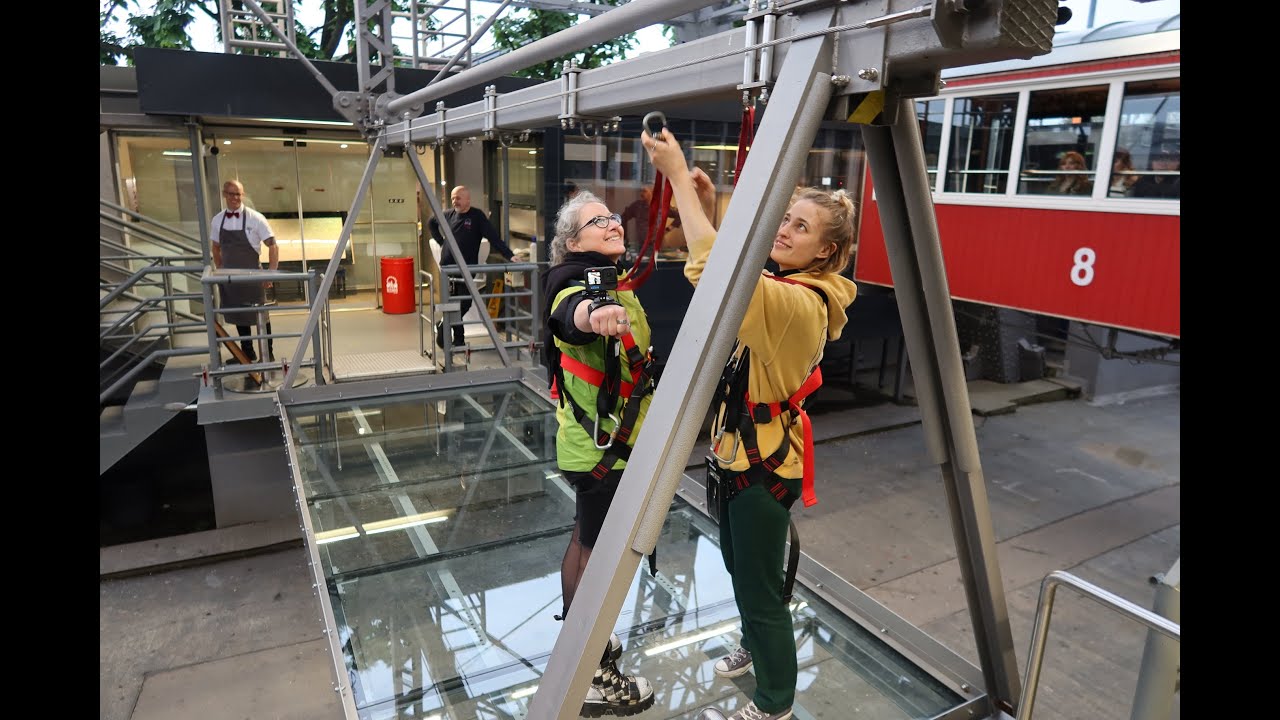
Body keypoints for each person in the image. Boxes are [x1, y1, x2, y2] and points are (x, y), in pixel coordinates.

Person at [643, 126, 858, 720]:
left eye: (800, 228)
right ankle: (752, 646)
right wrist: (709, 209)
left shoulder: (798, 306)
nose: (783, 230)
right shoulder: (783, 288)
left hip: (762, 468)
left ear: (825, 254)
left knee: (760, 592)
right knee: (743, 570)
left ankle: (774, 704)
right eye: (785, 219)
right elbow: (728, 273)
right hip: (739, 455)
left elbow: (716, 276)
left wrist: (679, 180)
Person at [542, 190, 657, 717]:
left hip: (597, 447)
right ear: (572, 242)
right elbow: (572, 313)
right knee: (597, 555)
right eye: (597, 221)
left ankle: (582, 650)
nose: (611, 223)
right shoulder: (576, 279)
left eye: (612, 216)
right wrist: (594, 316)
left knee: (586, 540)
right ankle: (590, 669)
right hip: (600, 452)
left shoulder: (611, 275)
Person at [427, 185, 516, 348]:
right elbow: (431, 223)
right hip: (448, 268)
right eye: (453, 198)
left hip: (467, 269)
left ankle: (444, 325)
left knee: (464, 304)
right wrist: (441, 241)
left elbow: (494, 238)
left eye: (458, 198)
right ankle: (458, 340)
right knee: (455, 305)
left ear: (468, 199)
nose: (455, 201)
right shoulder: (448, 214)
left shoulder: (477, 217)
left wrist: (510, 255)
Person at [210, 179, 278, 364]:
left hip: (253, 276)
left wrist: (271, 273)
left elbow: (272, 245)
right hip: (231, 279)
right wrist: (221, 269)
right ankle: (248, 354)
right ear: (224, 195)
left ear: (243, 195)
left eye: (238, 194)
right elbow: (215, 247)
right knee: (240, 315)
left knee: (261, 316)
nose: (235, 197)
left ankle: (268, 354)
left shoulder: (256, 218)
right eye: (231, 194)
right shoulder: (217, 220)